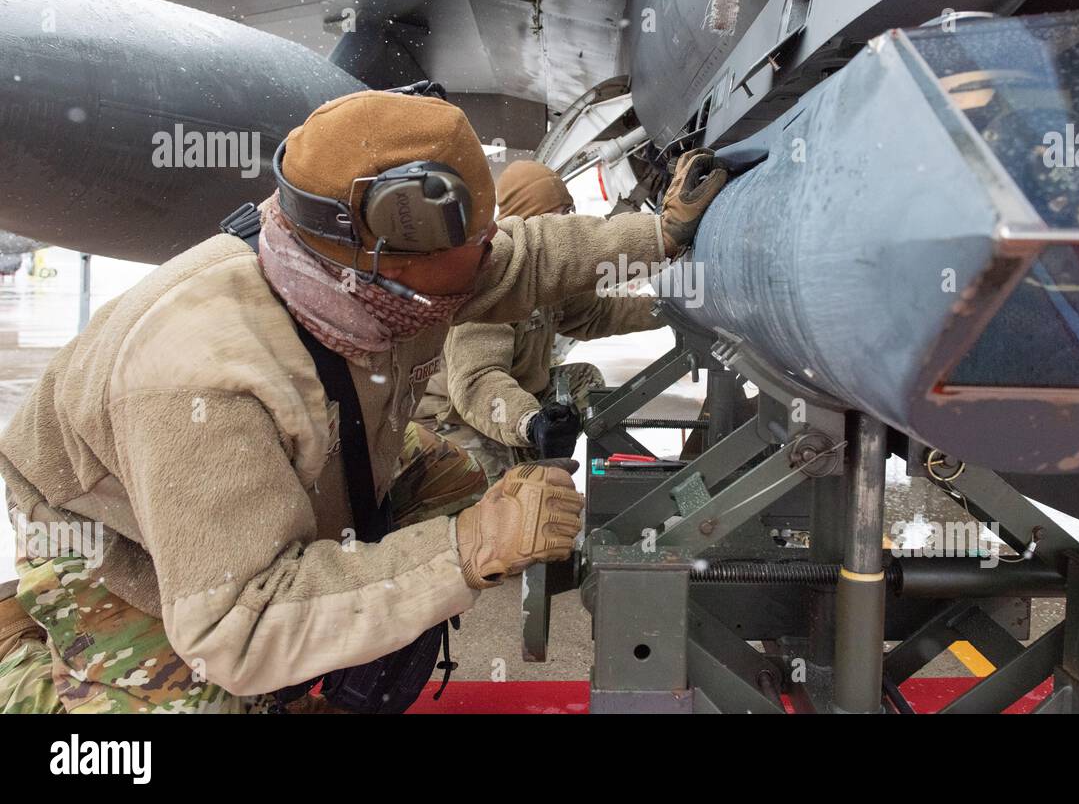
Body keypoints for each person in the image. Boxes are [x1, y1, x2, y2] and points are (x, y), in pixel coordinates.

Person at [0, 86, 727, 713]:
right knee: (220, 689)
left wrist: (656, 236)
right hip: (114, 526)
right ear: (383, 270)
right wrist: (465, 549)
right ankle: (22, 660)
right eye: (470, 256)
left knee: (461, 477)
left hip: (294, 450)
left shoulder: (367, 263)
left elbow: (526, 259)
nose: (487, 262)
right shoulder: (199, 380)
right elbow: (237, 625)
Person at [421, 160, 661, 483]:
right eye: (563, 215)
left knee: (585, 381)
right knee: (504, 506)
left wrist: (665, 309)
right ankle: (522, 467)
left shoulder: (545, 275)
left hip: (517, 395)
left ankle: (535, 455)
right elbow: (478, 383)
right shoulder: (491, 281)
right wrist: (530, 422)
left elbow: (596, 314)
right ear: (535, 221)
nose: (570, 226)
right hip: (463, 417)